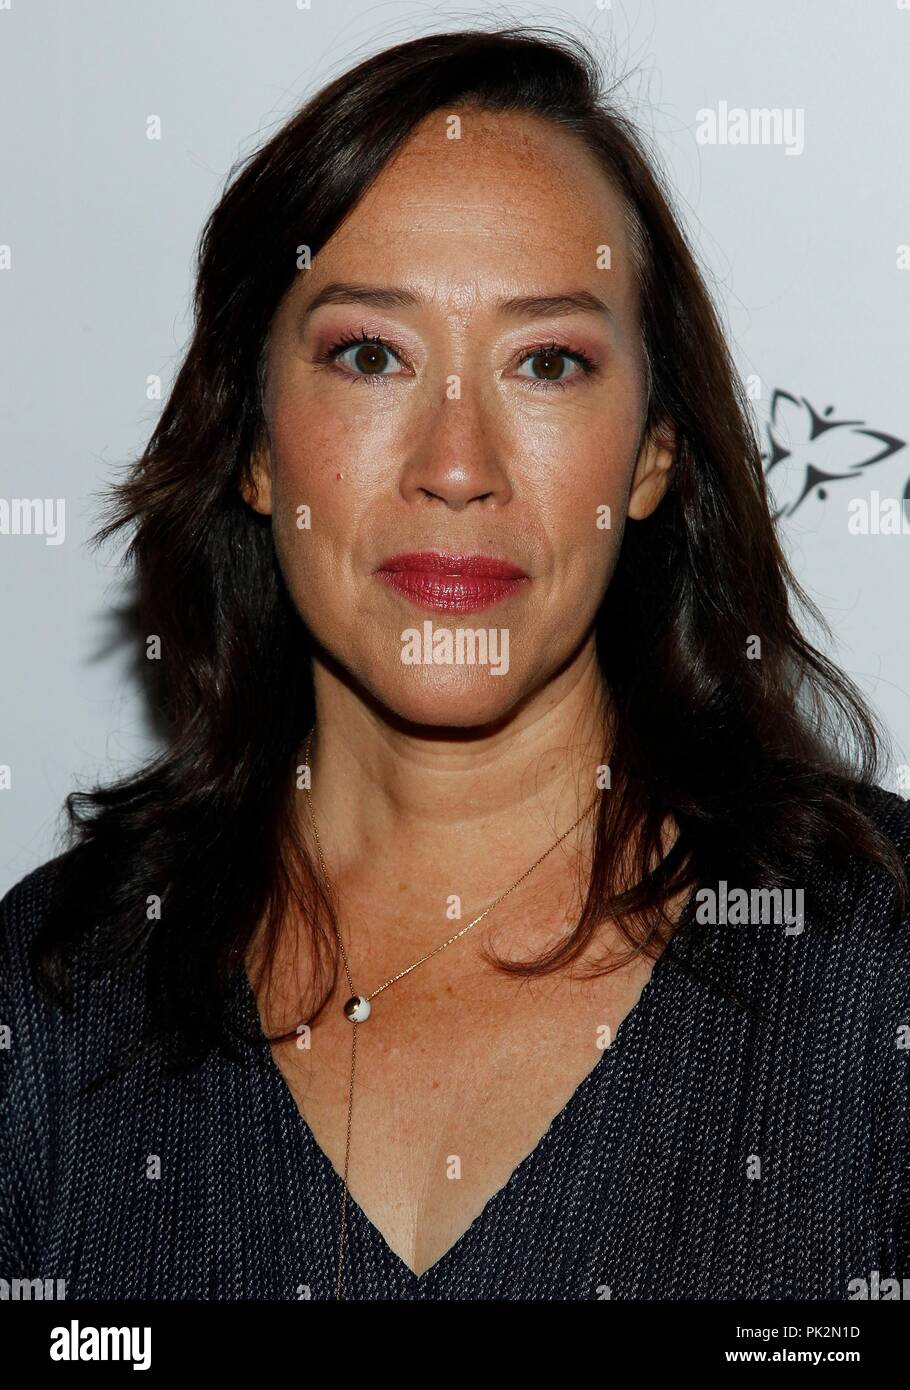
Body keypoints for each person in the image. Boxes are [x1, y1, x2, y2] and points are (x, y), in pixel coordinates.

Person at [1, 25, 908, 1302]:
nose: (457, 462)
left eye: (547, 363)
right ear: (253, 443)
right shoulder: (55, 997)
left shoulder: (877, 973)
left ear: (651, 455)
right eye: (370, 354)